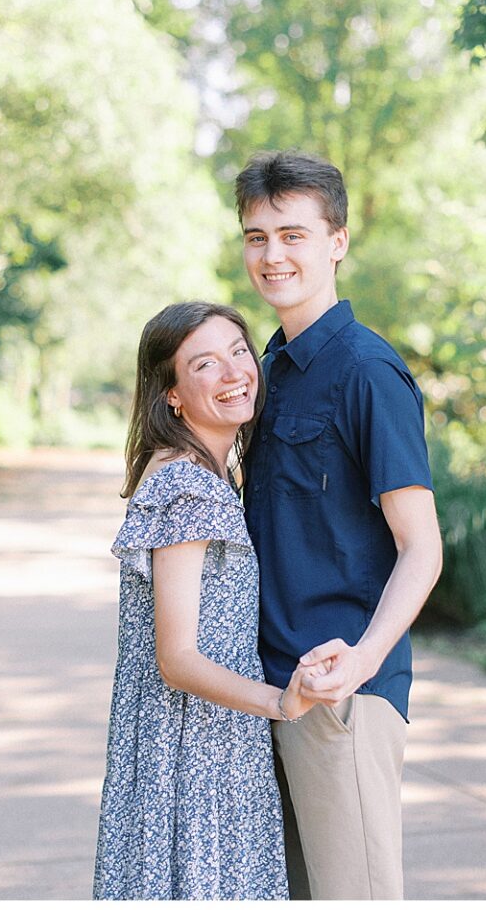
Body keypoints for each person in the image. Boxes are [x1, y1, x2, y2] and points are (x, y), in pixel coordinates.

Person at [236, 149, 442, 900]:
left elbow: (421, 548)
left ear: (337, 241)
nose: (273, 254)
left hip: (340, 693)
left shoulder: (365, 371)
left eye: (293, 234)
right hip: (265, 691)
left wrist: (361, 659)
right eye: (257, 237)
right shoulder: (268, 368)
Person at [93, 302, 325, 899]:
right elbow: (178, 657)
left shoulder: (204, 475)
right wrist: (281, 702)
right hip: (194, 749)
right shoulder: (187, 486)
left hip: (200, 740)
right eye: (204, 365)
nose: (233, 373)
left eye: (239, 352)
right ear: (170, 395)